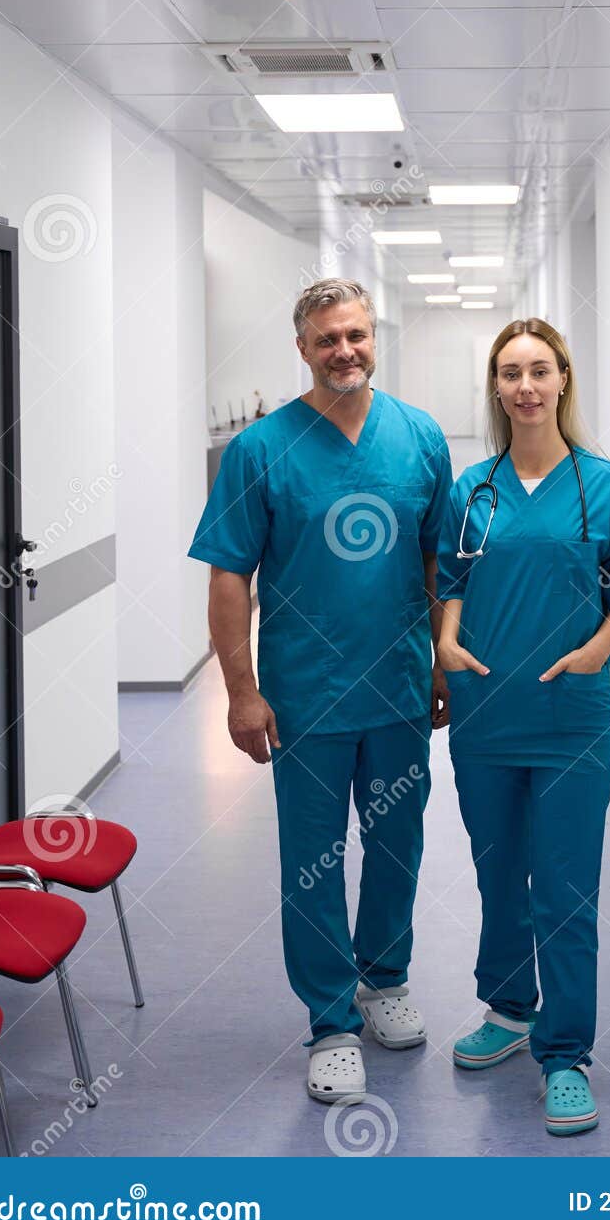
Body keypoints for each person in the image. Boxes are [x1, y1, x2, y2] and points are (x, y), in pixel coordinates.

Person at [187, 279, 451, 1106]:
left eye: (358, 335)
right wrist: (241, 691)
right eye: (328, 338)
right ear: (301, 348)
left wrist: (443, 661)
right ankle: (331, 1023)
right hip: (304, 693)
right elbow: (230, 576)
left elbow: (440, 560)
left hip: (401, 684)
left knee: (397, 845)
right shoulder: (261, 450)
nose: (346, 350)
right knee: (312, 861)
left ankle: (386, 981)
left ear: (376, 340)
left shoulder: (419, 437)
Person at [436, 318, 610, 1137]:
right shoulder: (473, 490)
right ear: (495, 388)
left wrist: (594, 650)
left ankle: (564, 1056)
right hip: (485, 713)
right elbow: (450, 577)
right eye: (509, 373)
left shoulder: (603, 485)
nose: (524, 386)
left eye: (538, 370)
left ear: (562, 378)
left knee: (563, 890)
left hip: (570, 719)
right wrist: (446, 640)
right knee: (497, 875)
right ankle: (508, 1009)